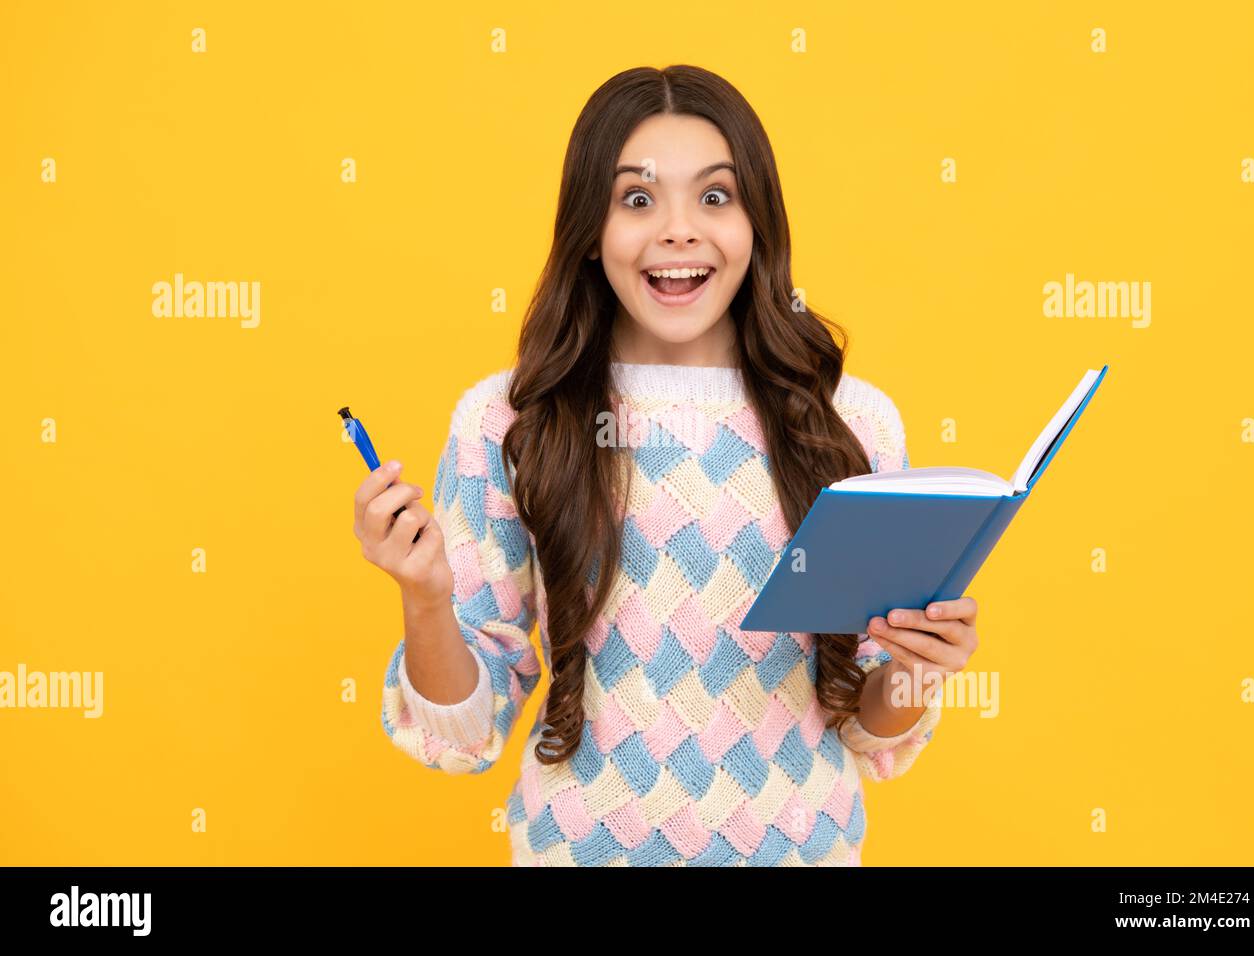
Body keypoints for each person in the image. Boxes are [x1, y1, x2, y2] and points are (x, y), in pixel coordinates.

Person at [352, 64, 979, 866]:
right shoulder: (510, 419)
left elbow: (867, 725)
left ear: (758, 223)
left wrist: (924, 670)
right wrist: (426, 597)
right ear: (589, 230)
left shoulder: (851, 424)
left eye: (715, 197)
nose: (679, 230)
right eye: (637, 199)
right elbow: (464, 736)